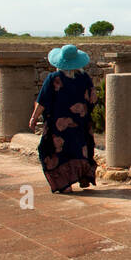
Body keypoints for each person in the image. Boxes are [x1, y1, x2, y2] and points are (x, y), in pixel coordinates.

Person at [29, 44, 99, 193]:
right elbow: (93, 99)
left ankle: (65, 184)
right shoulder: (85, 78)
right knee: (80, 148)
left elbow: (43, 101)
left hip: (57, 125)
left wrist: (34, 117)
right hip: (80, 122)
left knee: (57, 151)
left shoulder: (54, 78)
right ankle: (83, 177)